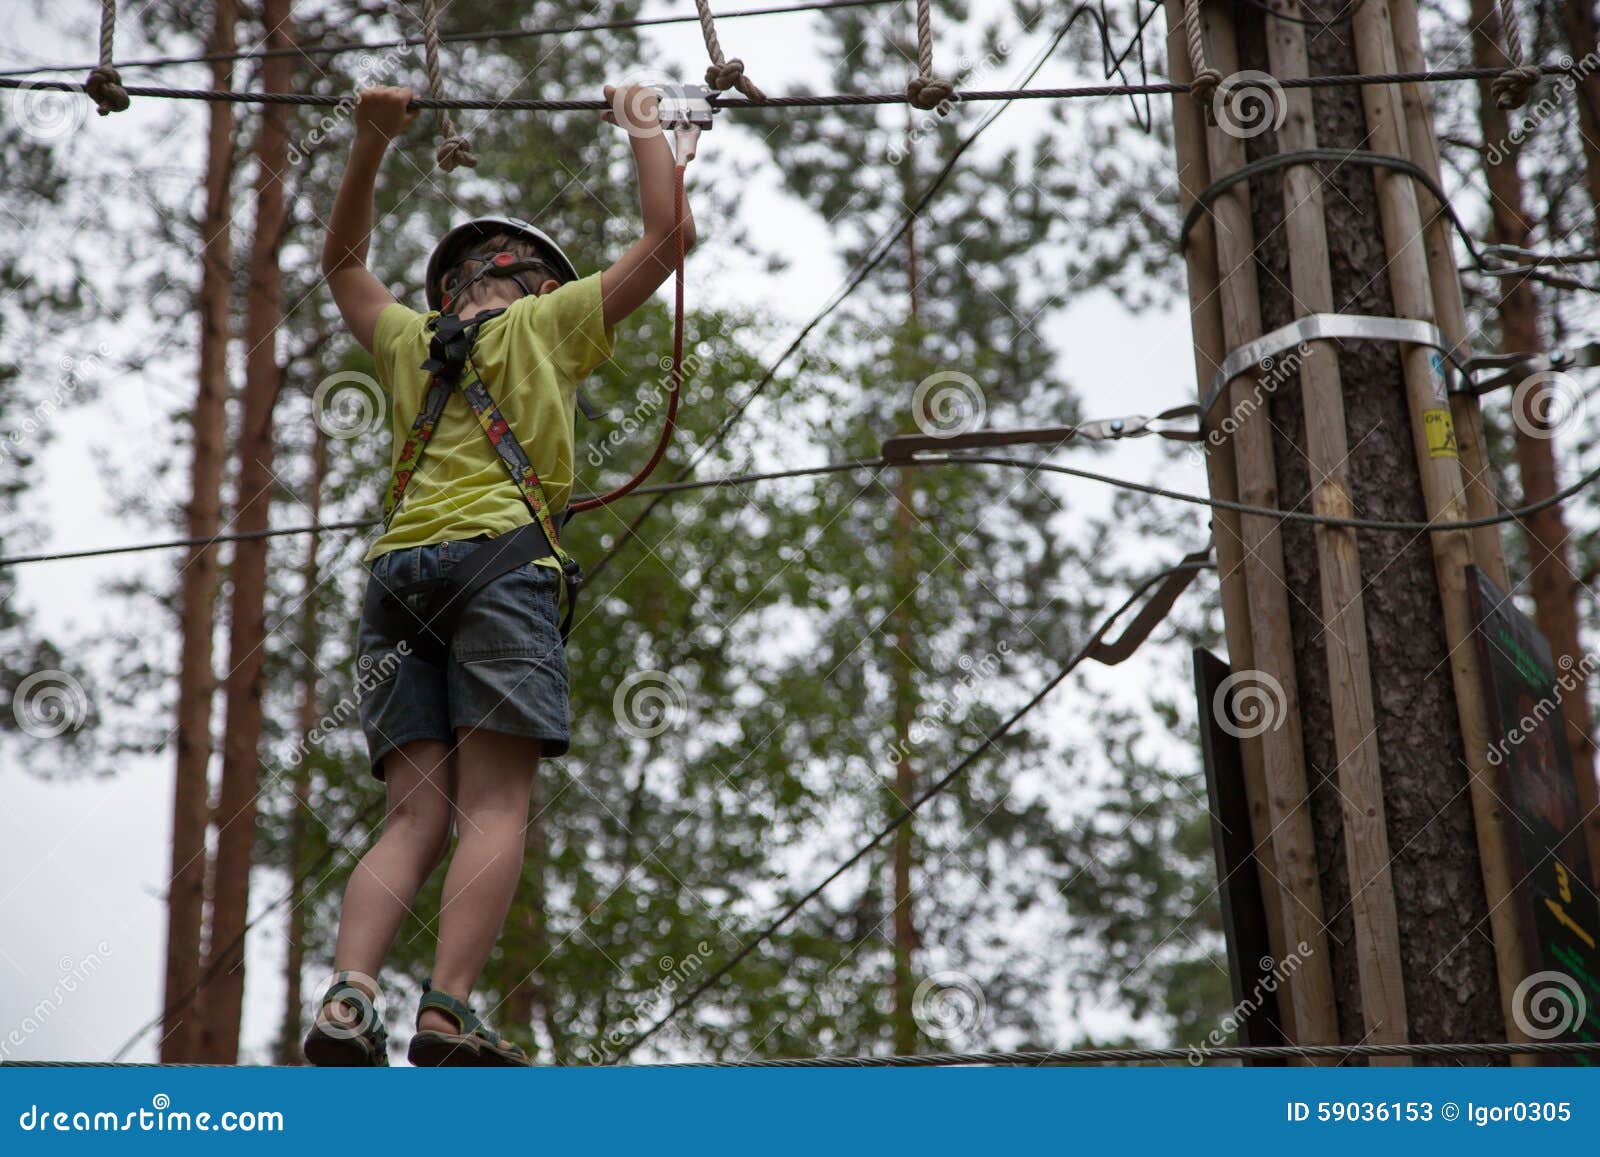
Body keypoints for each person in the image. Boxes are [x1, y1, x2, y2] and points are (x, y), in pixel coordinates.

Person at [302, 83, 694, 1066]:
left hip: (396, 581)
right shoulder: (547, 325)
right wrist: (644, 123)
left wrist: (371, 141)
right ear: (532, 283)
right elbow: (668, 238)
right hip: (501, 568)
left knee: (412, 811)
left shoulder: (407, 343)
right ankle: (447, 1008)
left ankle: (350, 993)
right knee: (497, 804)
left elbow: (343, 265)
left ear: (449, 293)